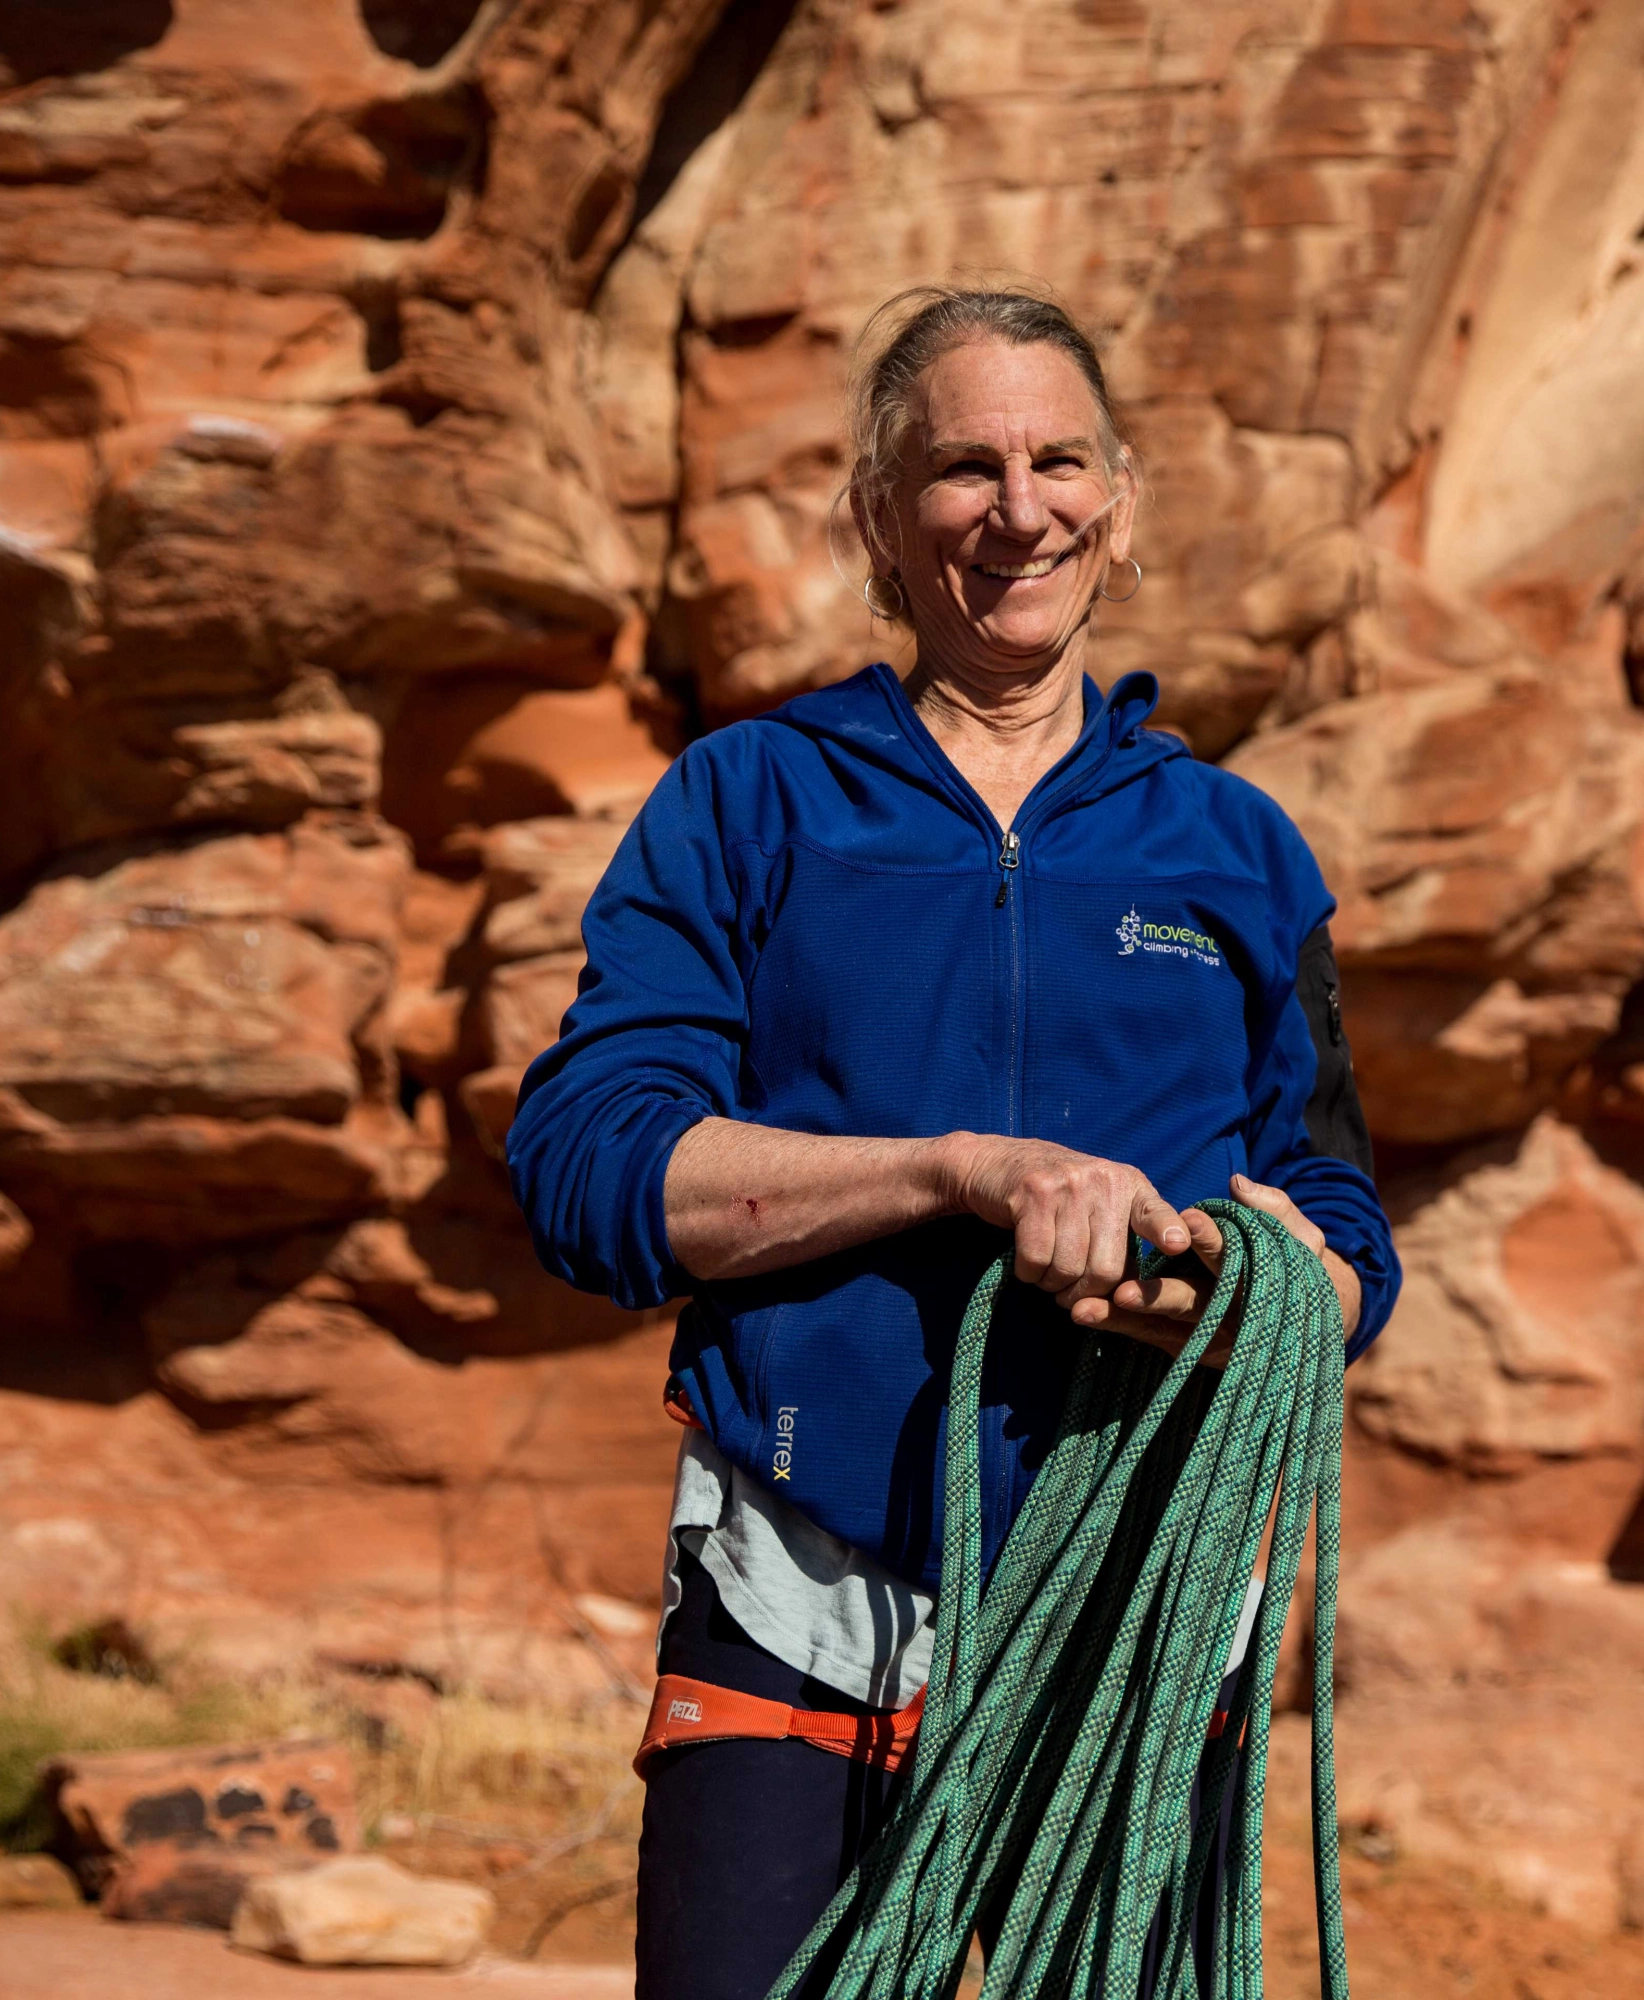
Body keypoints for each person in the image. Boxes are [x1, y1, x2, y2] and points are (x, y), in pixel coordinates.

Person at [507, 282, 1399, 2000]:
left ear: (1119, 508)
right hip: (802, 1592)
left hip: (1131, 1618)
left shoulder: (1237, 850)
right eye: (962, 469)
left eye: (1061, 460)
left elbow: (1342, 1233)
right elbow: (591, 1164)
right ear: (880, 522)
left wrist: (1225, 1283)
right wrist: (948, 1172)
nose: (1020, 508)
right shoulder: (753, 800)